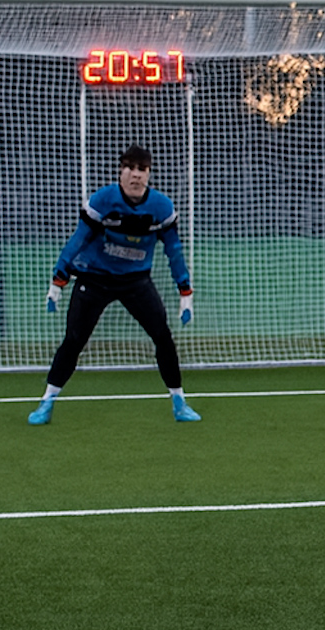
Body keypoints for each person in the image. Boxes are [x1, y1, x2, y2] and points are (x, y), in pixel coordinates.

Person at [30, 145, 199, 425]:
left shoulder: (161, 207)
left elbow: (174, 251)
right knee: (74, 341)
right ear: (121, 172)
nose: (136, 176)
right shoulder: (103, 200)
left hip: (136, 281)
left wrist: (185, 292)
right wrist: (58, 281)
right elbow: (78, 239)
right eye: (130, 168)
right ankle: (46, 402)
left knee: (163, 336)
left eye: (142, 170)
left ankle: (179, 402)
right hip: (94, 278)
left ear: (149, 174)